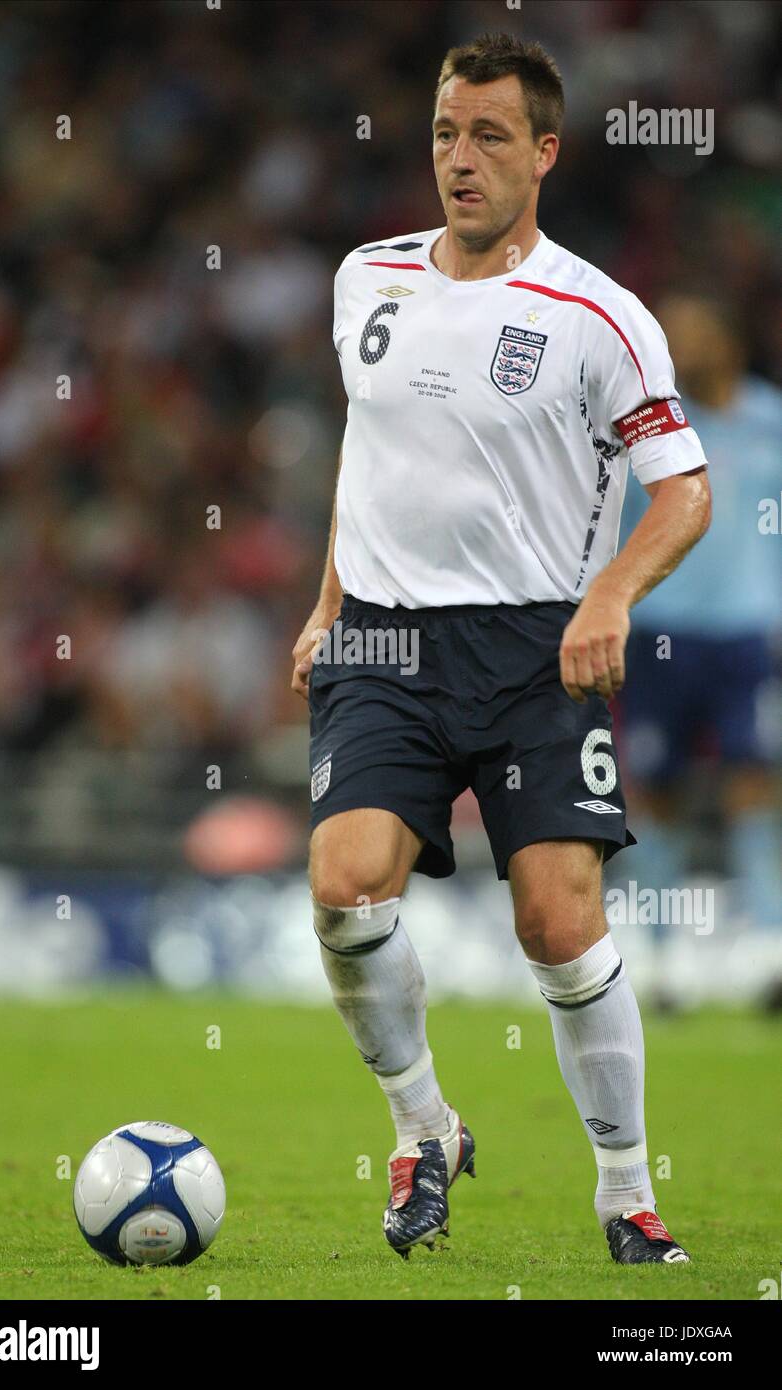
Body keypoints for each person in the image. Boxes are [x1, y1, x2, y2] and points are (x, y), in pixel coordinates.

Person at [291, 33, 710, 1265]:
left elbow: (681, 489)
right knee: (343, 882)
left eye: (486, 136)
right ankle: (426, 1127)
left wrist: (612, 595)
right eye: (441, 134)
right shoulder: (366, 276)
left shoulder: (599, 314)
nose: (458, 160)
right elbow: (367, 460)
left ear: (545, 151)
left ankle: (626, 1194)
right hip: (383, 638)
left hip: (538, 647)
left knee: (556, 920)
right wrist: (326, 603)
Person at [618, 294, 782, 941]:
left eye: (694, 331)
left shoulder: (770, 420)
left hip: (746, 633)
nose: (682, 346)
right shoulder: (648, 430)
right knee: (656, 786)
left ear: (727, 339)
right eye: (671, 334)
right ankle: (656, 944)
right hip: (662, 629)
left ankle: (769, 942)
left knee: (753, 778)